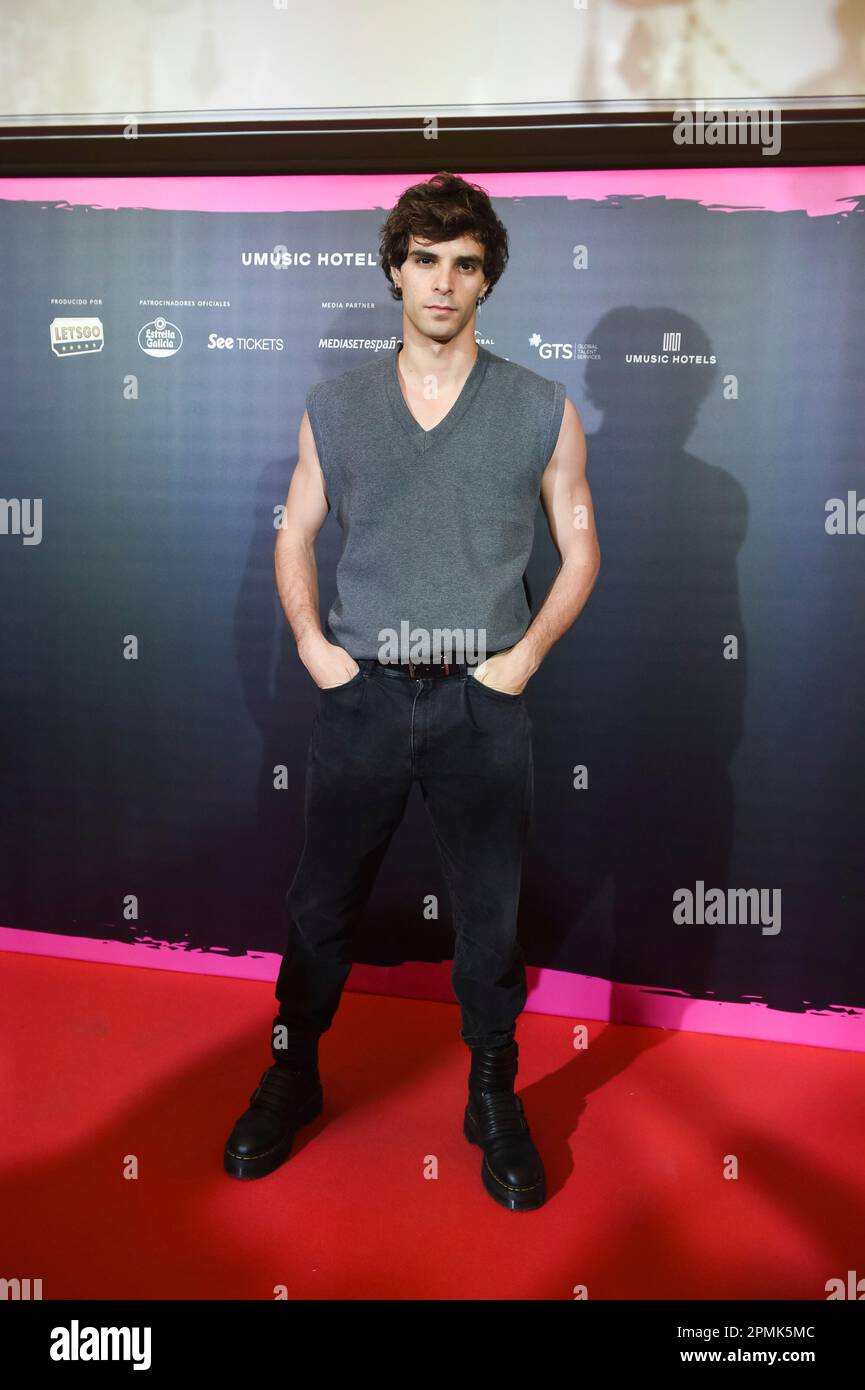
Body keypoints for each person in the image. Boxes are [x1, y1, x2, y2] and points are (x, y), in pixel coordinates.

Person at [224, 171, 600, 1211]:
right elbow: (295, 529)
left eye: (465, 264)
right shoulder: (333, 406)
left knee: (488, 917)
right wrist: (312, 645)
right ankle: (292, 1072)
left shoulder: (538, 406)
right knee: (318, 907)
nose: (443, 281)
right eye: (425, 259)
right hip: (364, 699)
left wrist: (521, 659)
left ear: (487, 281)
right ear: (394, 270)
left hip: (483, 701)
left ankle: (492, 1095)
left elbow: (579, 547)